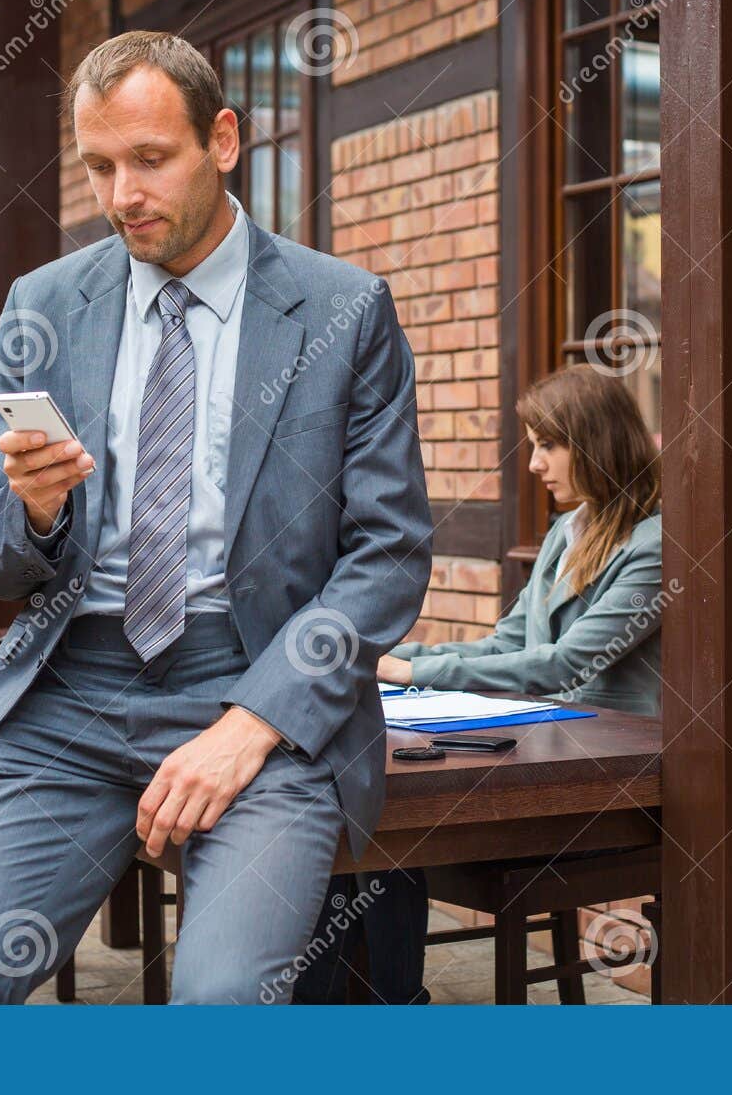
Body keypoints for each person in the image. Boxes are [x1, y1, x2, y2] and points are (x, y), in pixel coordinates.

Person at [0, 31, 431, 1005]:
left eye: (148, 158)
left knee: (219, 1005)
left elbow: (386, 556)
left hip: (257, 687)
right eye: (99, 166)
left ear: (221, 139)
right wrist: (39, 512)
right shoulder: (42, 306)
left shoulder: (344, 310)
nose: (121, 194)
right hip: (67, 695)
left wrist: (254, 720)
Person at [293, 362, 661, 1003]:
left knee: (386, 821)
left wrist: (415, 670)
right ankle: (368, 1003)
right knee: (362, 812)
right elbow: (508, 643)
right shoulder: (566, 532)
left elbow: (563, 665)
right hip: (542, 745)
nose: (535, 464)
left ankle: (385, 1003)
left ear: (596, 441)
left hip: (607, 773)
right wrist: (390, 655)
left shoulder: (653, 546)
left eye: (549, 445)